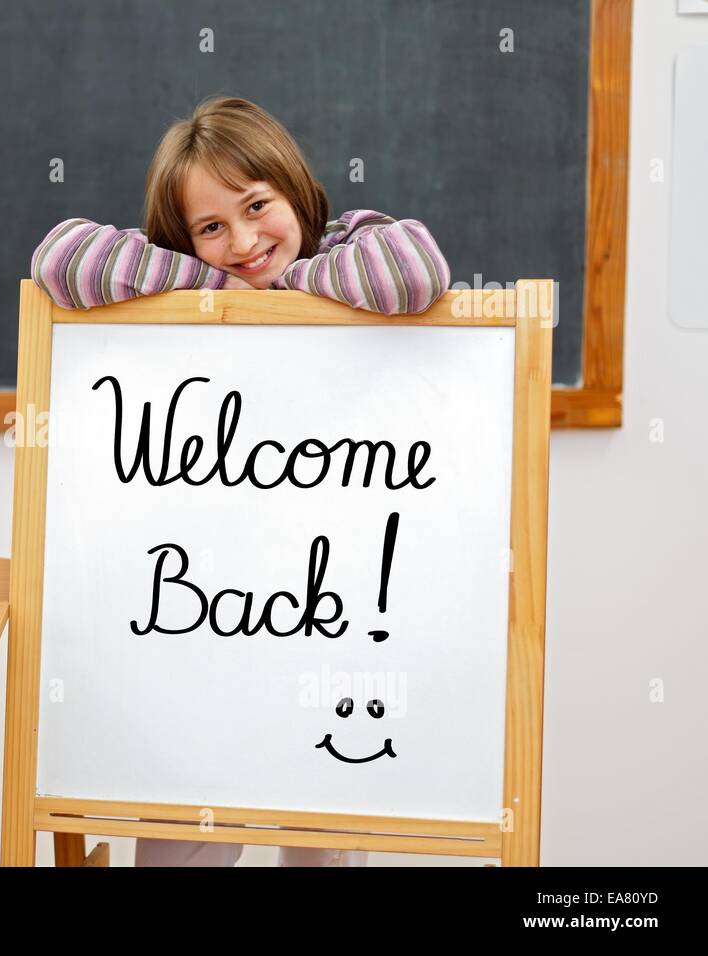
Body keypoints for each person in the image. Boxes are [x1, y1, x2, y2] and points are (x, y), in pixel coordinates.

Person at [29, 95, 451, 867]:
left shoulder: (353, 241)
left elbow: (414, 271)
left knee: (321, 822)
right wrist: (206, 288)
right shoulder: (183, 285)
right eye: (211, 227)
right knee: (190, 817)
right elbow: (59, 258)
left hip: (334, 601)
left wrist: (286, 294)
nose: (246, 240)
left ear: (294, 190)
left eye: (258, 206)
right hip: (205, 606)